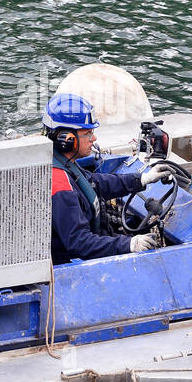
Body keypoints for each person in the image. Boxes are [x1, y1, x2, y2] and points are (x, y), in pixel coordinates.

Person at [44, 92, 171, 264]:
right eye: (88, 133)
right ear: (66, 140)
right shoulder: (60, 186)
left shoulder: (60, 162)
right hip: (72, 264)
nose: (94, 138)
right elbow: (80, 243)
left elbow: (93, 182)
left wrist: (142, 179)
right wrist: (129, 245)